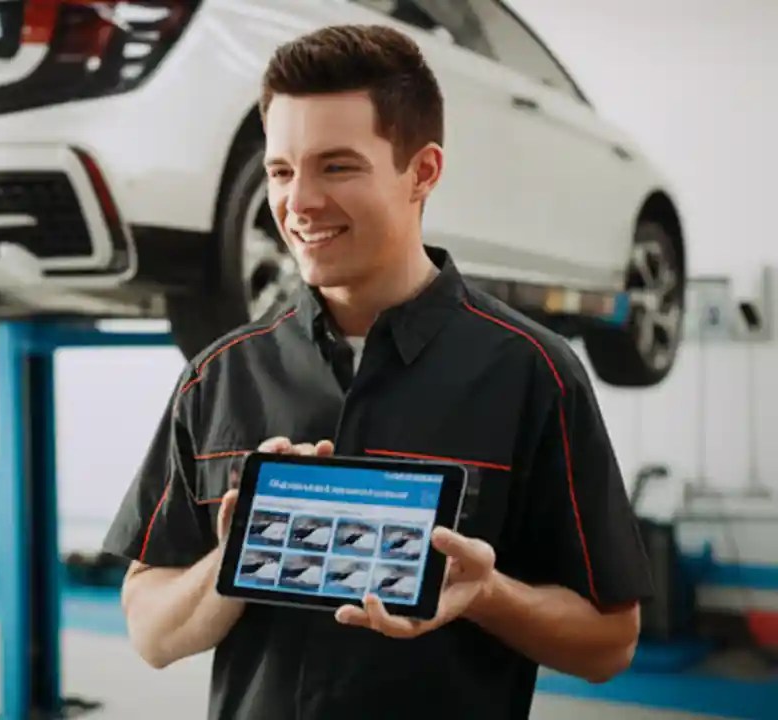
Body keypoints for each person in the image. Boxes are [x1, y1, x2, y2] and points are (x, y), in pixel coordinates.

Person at [103, 24, 652, 719]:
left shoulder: (533, 374)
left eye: (336, 166)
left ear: (422, 171)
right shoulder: (220, 378)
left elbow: (610, 641)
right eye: (280, 170)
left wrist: (486, 594)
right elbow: (150, 631)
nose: (297, 203)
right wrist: (238, 559)